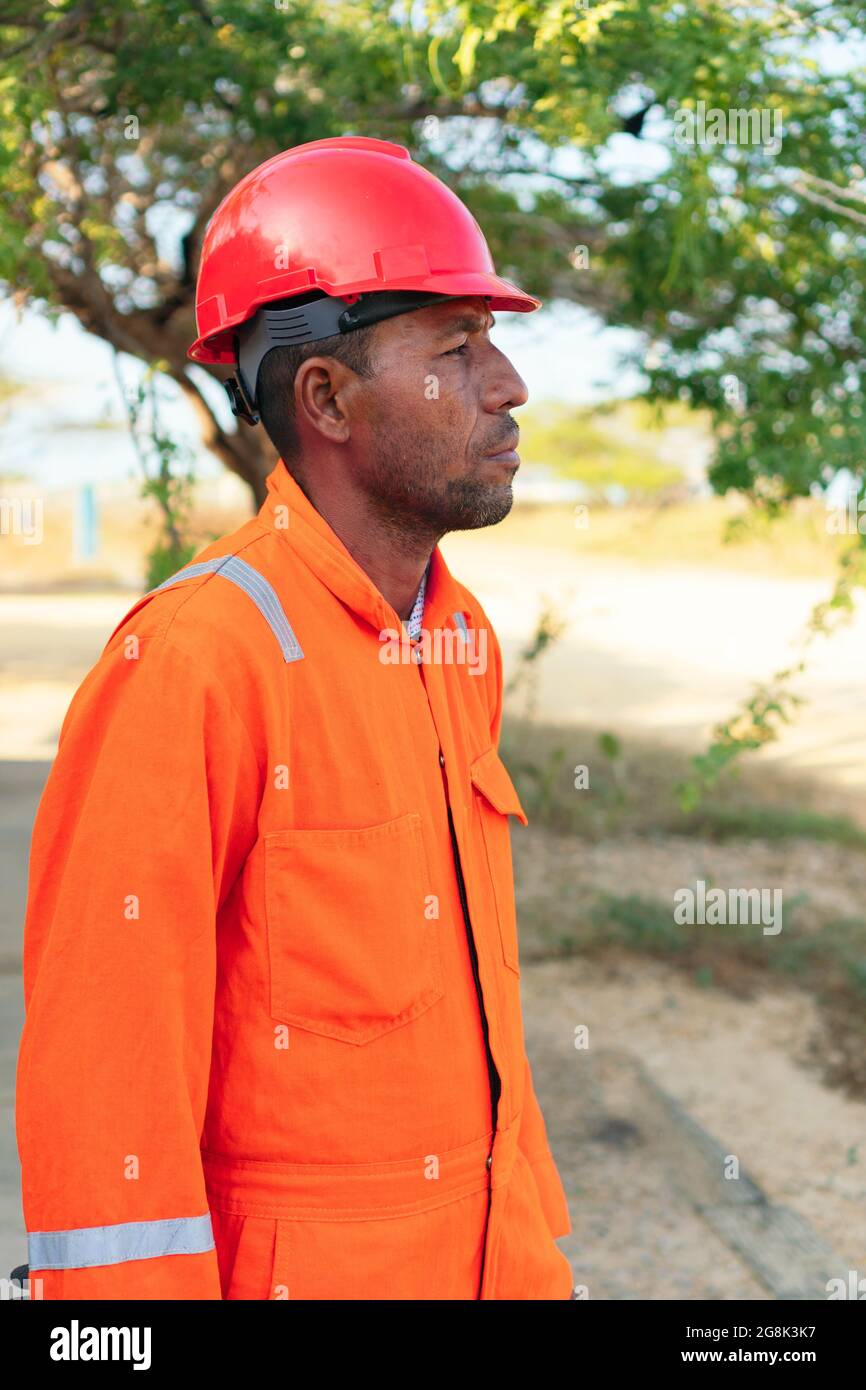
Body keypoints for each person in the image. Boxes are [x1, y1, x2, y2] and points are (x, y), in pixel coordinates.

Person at [15, 135, 575, 1300]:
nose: (509, 383)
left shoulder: (453, 640)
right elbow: (105, 1098)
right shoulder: (191, 662)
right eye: (457, 347)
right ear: (325, 395)